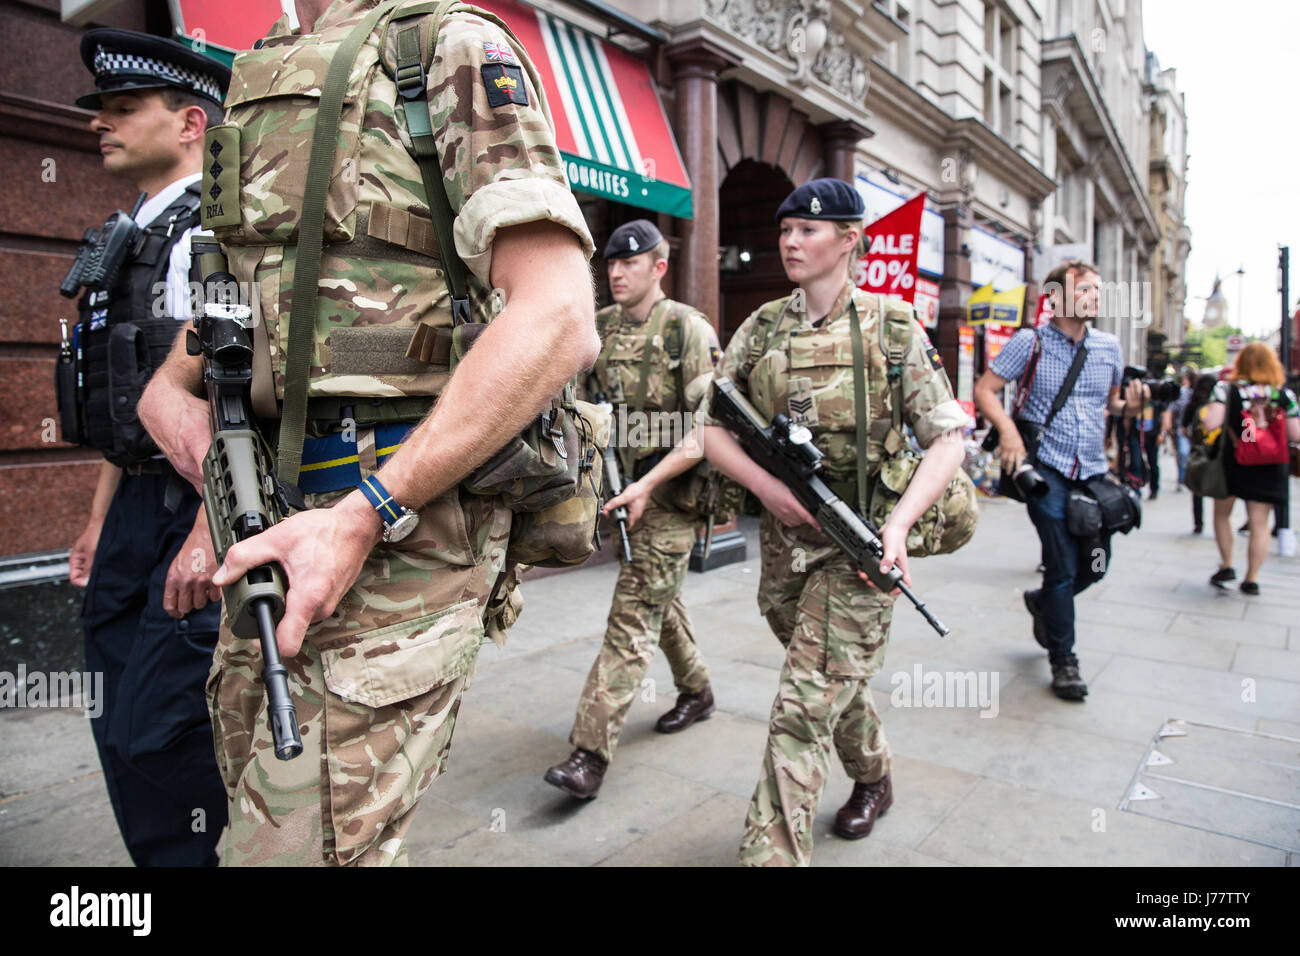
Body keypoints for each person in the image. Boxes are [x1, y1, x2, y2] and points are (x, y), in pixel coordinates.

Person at [137, 0, 598, 866]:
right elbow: (247, 296)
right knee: (270, 811)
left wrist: (362, 514)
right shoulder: (263, 65)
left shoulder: (446, 47)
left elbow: (559, 317)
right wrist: (177, 391)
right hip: (267, 520)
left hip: (393, 529)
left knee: (298, 845)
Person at [607, 178, 968, 866]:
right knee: (829, 678)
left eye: (807, 229)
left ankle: (771, 852)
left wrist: (896, 530)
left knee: (802, 708)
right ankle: (874, 772)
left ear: (849, 239)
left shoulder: (891, 327)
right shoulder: (765, 326)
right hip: (785, 552)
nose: (791, 242)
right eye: (784, 231)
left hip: (859, 548)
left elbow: (947, 437)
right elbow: (709, 427)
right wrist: (766, 488)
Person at [62, 29, 231, 867]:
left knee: (162, 728)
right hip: (133, 509)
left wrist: (209, 529)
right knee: (114, 723)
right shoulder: (122, 236)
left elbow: (243, 403)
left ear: (191, 121)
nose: (103, 123)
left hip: (193, 510)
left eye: (124, 109)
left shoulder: (222, 235)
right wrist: (99, 520)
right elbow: (123, 405)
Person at [544, 221, 721, 799]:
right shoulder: (601, 329)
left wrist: (647, 484)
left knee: (632, 615)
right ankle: (697, 690)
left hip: (672, 497)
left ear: (659, 267)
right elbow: (571, 395)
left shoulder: (687, 330)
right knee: (655, 596)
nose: (616, 272)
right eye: (610, 264)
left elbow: (705, 430)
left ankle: (589, 753)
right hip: (623, 492)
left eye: (630, 262)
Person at [974, 260, 1139, 701]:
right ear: (1056, 297)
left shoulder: (1109, 347)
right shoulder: (1030, 342)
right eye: (1085, 289)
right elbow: (985, 389)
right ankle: (1064, 661)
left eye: (1098, 290)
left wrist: (1135, 405)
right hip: (1044, 470)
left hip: (1092, 472)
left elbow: (1113, 405)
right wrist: (1008, 432)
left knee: (1096, 564)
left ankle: (1044, 601)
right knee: (1063, 563)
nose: (1095, 297)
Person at [1201, 343, 1300, 594]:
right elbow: (1295, 434)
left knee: (1222, 514)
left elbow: (1212, 423)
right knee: (1260, 523)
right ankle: (1252, 578)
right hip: (1270, 464)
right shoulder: (1283, 395)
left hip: (1235, 462)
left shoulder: (1226, 389)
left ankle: (1227, 564)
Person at [1181, 372, 1218, 534]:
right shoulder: (1219, 404)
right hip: (1217, 451)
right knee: (1220, 488)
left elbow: (1184, 428)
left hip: (1198, 450)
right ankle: (1220, 521)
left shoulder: (1193, 404)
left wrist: (1194, 440)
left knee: (1197, 490)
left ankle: (1198, 523)